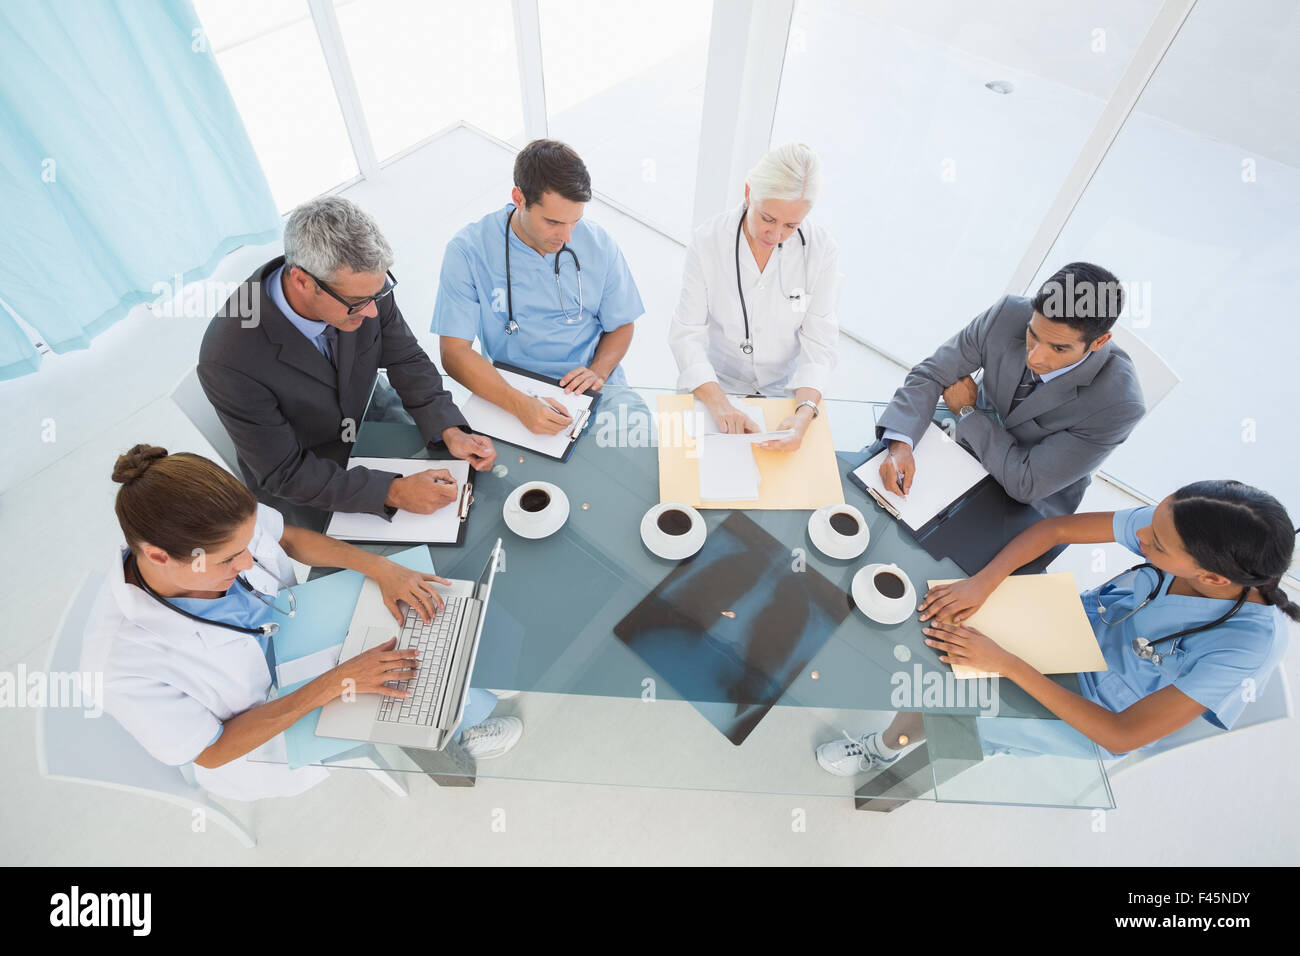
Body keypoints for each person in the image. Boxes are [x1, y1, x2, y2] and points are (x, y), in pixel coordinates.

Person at [79, 445, 522, 801]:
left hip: (299, 632)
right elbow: (211, 751)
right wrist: (336, 682)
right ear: (158, 556)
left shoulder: (211, 526)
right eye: (230, 559)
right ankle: (462, 724)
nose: (249, 560)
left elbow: (286, 538)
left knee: (427, 619)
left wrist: (378, 567)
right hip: (268, 728)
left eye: (245, 545)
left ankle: (468, 687)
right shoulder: (120, 667)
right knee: (411, 692)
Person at [815, 479, 1296, 774]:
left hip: (1091, 711)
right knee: (937, 639)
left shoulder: (1247, 643)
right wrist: (984, 583)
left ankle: (884, 750)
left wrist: (1007, 665)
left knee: (952, 699)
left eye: (1155, 544)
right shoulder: (1180, 529)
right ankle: (903, 730)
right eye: (1150, 523)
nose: (1141, 534)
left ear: (1212, 576)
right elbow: (1056, 530)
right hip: (1064, 628)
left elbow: (1121, 736)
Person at [199, 196, 495, 532]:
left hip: (372, 413)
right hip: (311, 474)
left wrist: (448, 428)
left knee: (471, 505)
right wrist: (393, 491)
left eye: (377, 294)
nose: (371, 311)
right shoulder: (228, 359)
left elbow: (405, 358)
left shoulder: (364, 287)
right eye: (357, 303)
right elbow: (284, 472)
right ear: (301, 281)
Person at [875, 262, 1144, 517]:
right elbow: (932, 373)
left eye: (1059, 348)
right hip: (959, 440)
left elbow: (1026, 483)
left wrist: (967, 411)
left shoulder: (1119, 405)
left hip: (1027, 499)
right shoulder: (1008, 314)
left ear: (1100, 342)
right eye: (1033, 335)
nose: (1035, 358)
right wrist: (900, 446)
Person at [433, 139, 645, 436]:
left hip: (591, 386)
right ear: (519, 198)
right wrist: (518, 404)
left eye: (575, 221)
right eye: (554, 222)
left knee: (642, 462)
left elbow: (621, 324)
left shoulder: (599, 244)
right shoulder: (468, 251)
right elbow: (454, 353)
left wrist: (599, 371)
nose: (568, 237)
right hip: (509, 391)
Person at [669, 142, 840, 452]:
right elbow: (686, 335)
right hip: (714, 386)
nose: (776, 236)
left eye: (791, 225)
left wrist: (803, 414)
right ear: (749, 193)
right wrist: (719, 404)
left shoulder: (821, 250)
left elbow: (820, 342)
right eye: (768, 219)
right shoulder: (708, 242)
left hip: (783, 393)